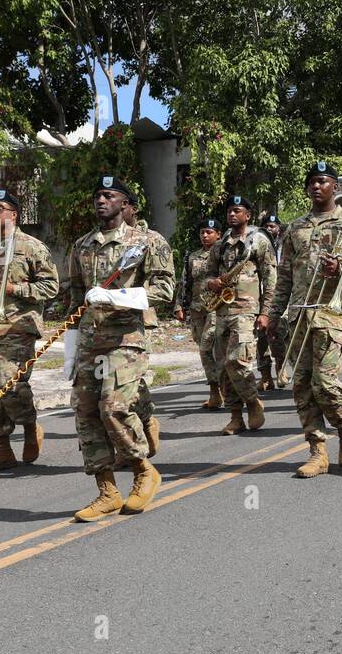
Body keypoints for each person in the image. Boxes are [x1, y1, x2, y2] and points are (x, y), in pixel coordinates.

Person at [66, 175, 175, 522]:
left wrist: (116, 296)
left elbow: (164, 290)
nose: (101, 200)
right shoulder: (82, 245)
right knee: (85, 411)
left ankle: (144, 470)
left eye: (109, 195)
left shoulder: (147, 242)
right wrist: (70, 351)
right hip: (88, 341)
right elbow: (74, 298)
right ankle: (107, 491)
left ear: (125, 204)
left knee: (113, 408)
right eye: (97, 194)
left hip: (126, 338)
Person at [270, 161, 342, 478]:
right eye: (312, 182)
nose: (317, 186)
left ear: (335, 187)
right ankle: (317, 450)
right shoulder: (295, 228)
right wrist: (273, 314)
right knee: (302, 387)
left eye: (323, 181)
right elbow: (285, 276)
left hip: (331, 313)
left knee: (326, 384)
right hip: (299, 314)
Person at [0, 188, 59, 473]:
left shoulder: (32, 247)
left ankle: (30, 426)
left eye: (0, 208)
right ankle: (3, 450)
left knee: (11, 386)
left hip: (18, 327)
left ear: (14, 214)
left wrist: (14, 289)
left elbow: (51, 287)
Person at [206, 195, 277, 435]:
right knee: (223, 367)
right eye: (229, 211)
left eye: (237, 211)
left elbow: (271, 279)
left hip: (247, 311)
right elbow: (207, 274)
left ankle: (253, 400)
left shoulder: (259, 241)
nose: (232, 214)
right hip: (222, 310)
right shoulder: (220, 244)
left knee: (238, 361)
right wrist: (212, 283)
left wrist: (266, 312)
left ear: (248, 215)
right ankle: (235, 417)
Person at [121, 189, 169, 457]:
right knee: (111, 387)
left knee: (130, 381)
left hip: (137, 323)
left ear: (132, 209)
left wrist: (125, 296)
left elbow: (163, 288)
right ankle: (133, 432)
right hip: (102, 327)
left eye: (124, 204)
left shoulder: (151, 240)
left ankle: (145, 420)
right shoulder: (94, 241)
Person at [173, 218, 224, 409]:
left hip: (218, 308)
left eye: (209, 232)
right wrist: (179, 306)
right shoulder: (192, 257)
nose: (205, 235)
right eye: (202, 232)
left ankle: (220, 388)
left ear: (218, 234)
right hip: (197, 309)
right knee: (205, 350)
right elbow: (185, 283)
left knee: (208, 348)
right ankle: (216, 391)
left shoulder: (224, 254)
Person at [256, 212, 286, 389]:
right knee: (261, 338)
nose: (269, 229)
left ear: (278, 229)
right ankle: (266, 377)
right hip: (260, 298)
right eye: (266, 226)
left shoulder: (285, 246)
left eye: (273, 226)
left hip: (280, 298)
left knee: (277, 335)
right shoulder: (256, 245)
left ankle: (281, 368)